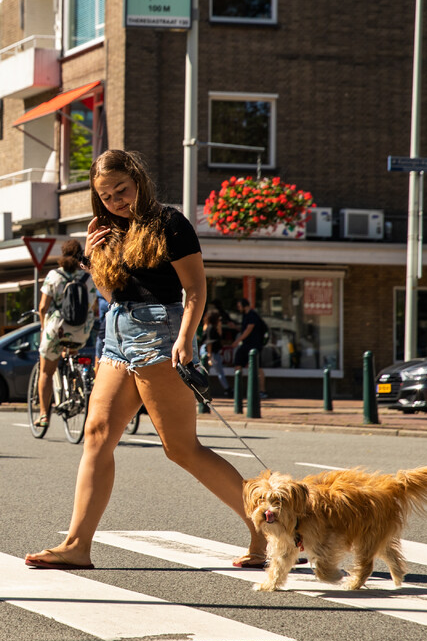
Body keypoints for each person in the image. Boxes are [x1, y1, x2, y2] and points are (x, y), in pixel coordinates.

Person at [25, 149, 268, 571]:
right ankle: (77, 545)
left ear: (138, 179)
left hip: (160, 334)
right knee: (97, 433)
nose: (116, 200)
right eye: (106, 195)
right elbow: (112, 294)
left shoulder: (170, 223)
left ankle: (267, 525)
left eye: (122, 189)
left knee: (181, 449)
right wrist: (92, 255)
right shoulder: (105, 228)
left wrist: (187, 339)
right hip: (117, 335)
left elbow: (194, 289)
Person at [32, 239, 99, 427]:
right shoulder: (88, 278)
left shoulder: (54, 275)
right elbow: (93, 308)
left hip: (57, 329)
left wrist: (43, 327)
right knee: (72, 353)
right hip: (81, 331)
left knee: (46, 371)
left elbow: (43, 306)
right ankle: (77, 391)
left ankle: (44, 415)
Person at [230, 297, 269, 397]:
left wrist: (237, 341)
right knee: (239, 363)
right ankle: (238, 389)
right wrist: (235, 327)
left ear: (244, 305)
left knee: (257, 367)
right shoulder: (246, 316)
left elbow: (248, 330)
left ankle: (262, 391)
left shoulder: (252, 315)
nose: (238, 308)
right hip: (248, 345)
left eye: (239, 306)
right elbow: (245, 330)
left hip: (253, 346)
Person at [202, 302, 232, 392]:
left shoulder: (210, 326)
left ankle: (204, 390)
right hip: (210, 352)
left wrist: (219, 327)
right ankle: (227, 389)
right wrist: (209, 356)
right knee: (217, 371)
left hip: (211, 351)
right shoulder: (210, 328)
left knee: (208, 371)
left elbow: (219, 336)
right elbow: (209, 342)